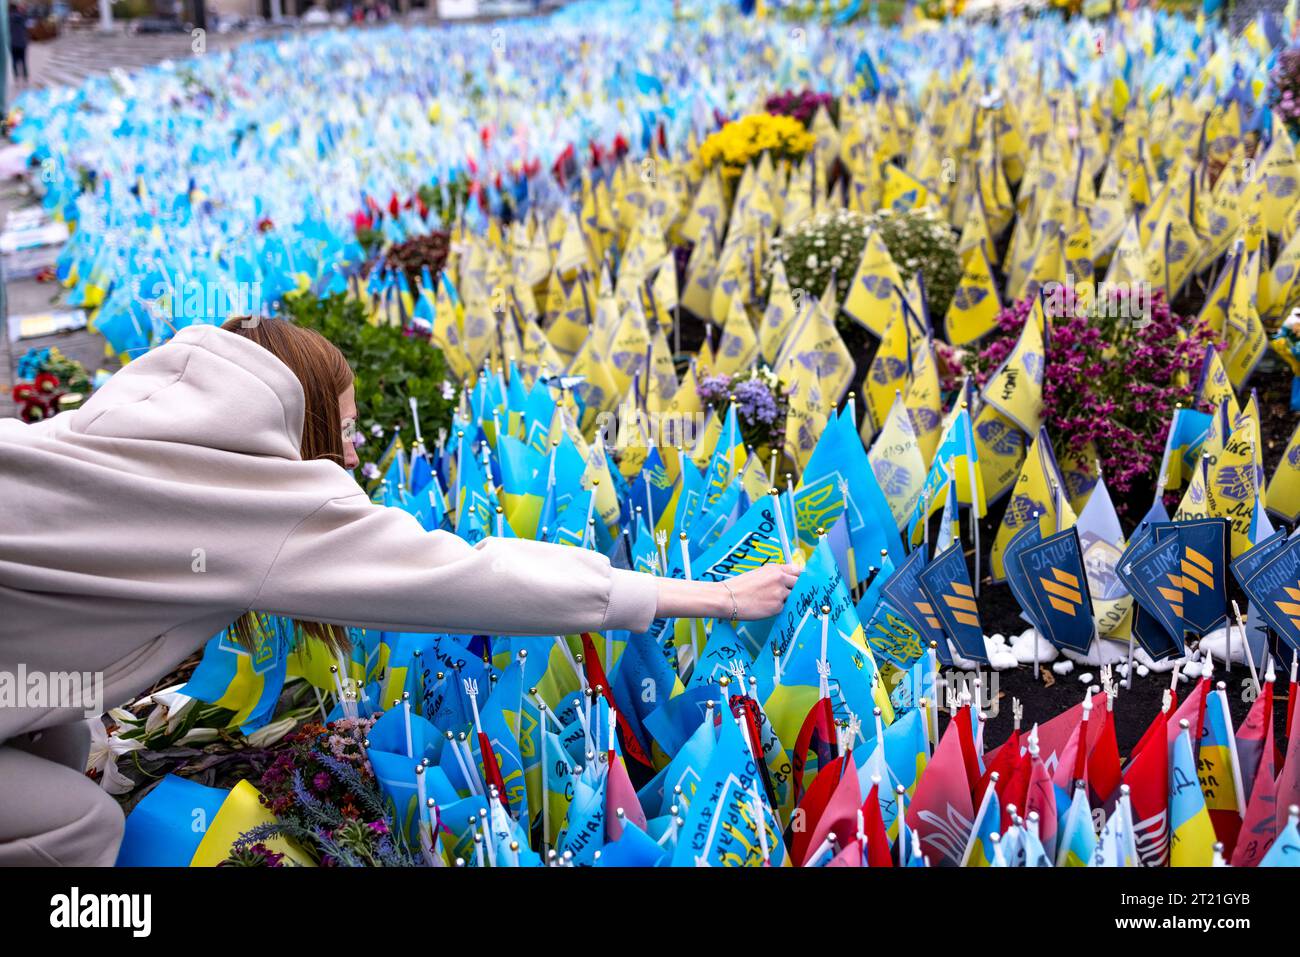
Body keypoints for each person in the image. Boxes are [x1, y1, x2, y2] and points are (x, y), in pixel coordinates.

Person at [0, 317, 801, 865]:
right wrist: (714, 600)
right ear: (301, 425)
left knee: (66, 748)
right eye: (345, 433)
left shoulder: (115, 428)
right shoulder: (250, 501)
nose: (355, 454)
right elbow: (473, 579)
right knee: (75, 824)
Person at [8, 4, 28, 83]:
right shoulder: (22, 17)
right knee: (23, 61)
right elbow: (25, 29)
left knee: (14, 60)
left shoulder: (9, 18)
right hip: (22, 43)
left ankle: (16, 78)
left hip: (13, 43)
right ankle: (25, 77)